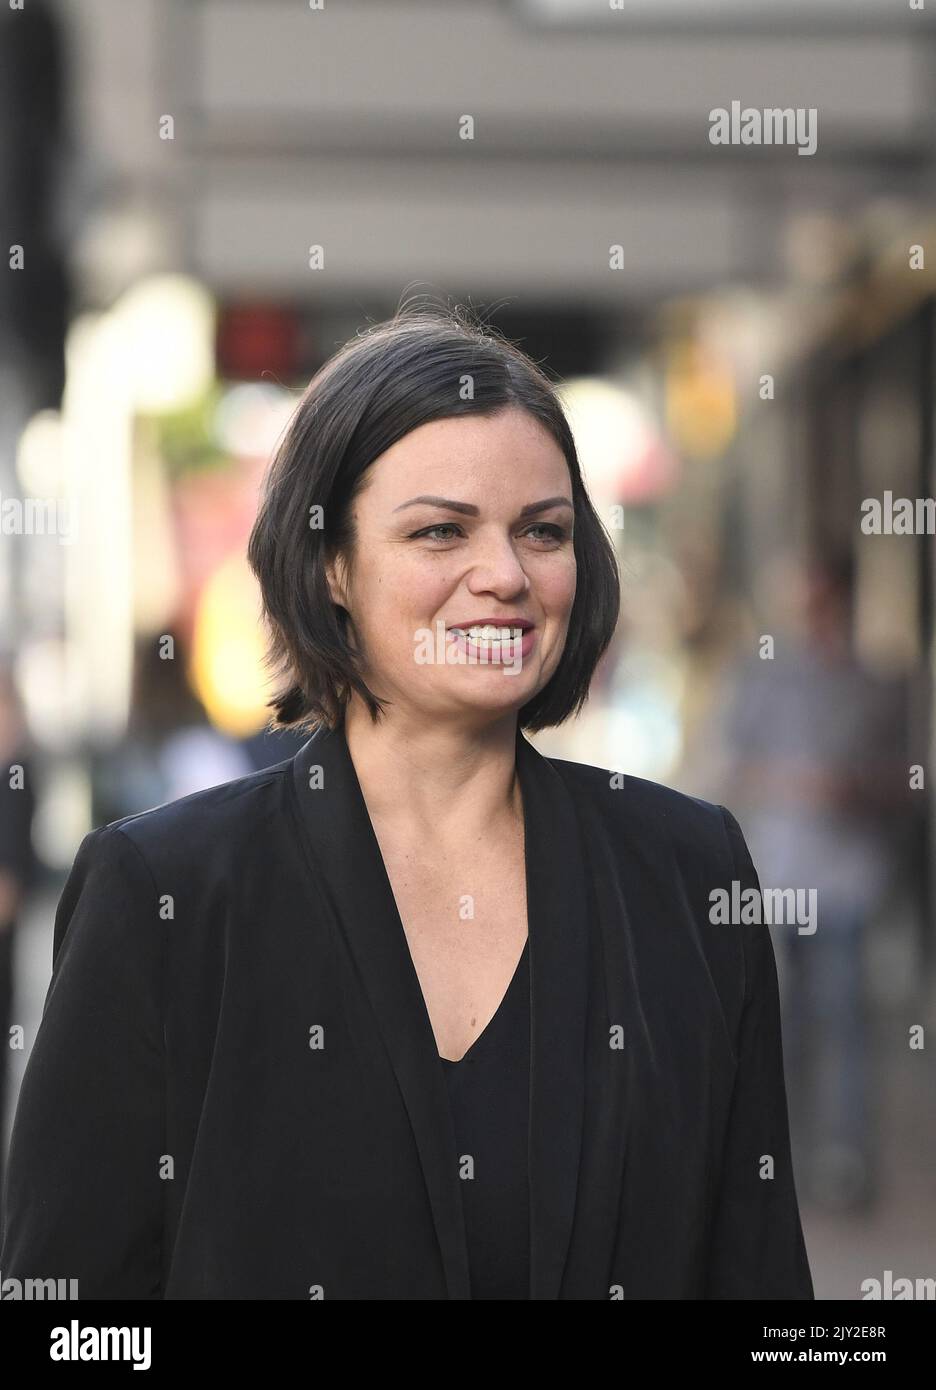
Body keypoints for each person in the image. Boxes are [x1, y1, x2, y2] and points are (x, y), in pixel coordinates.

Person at [0, 305, 813, 1299]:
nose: (504, 576)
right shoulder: (165, 894)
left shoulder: (689, 873)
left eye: (543, 531)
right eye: (440, 531)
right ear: (331, 563)